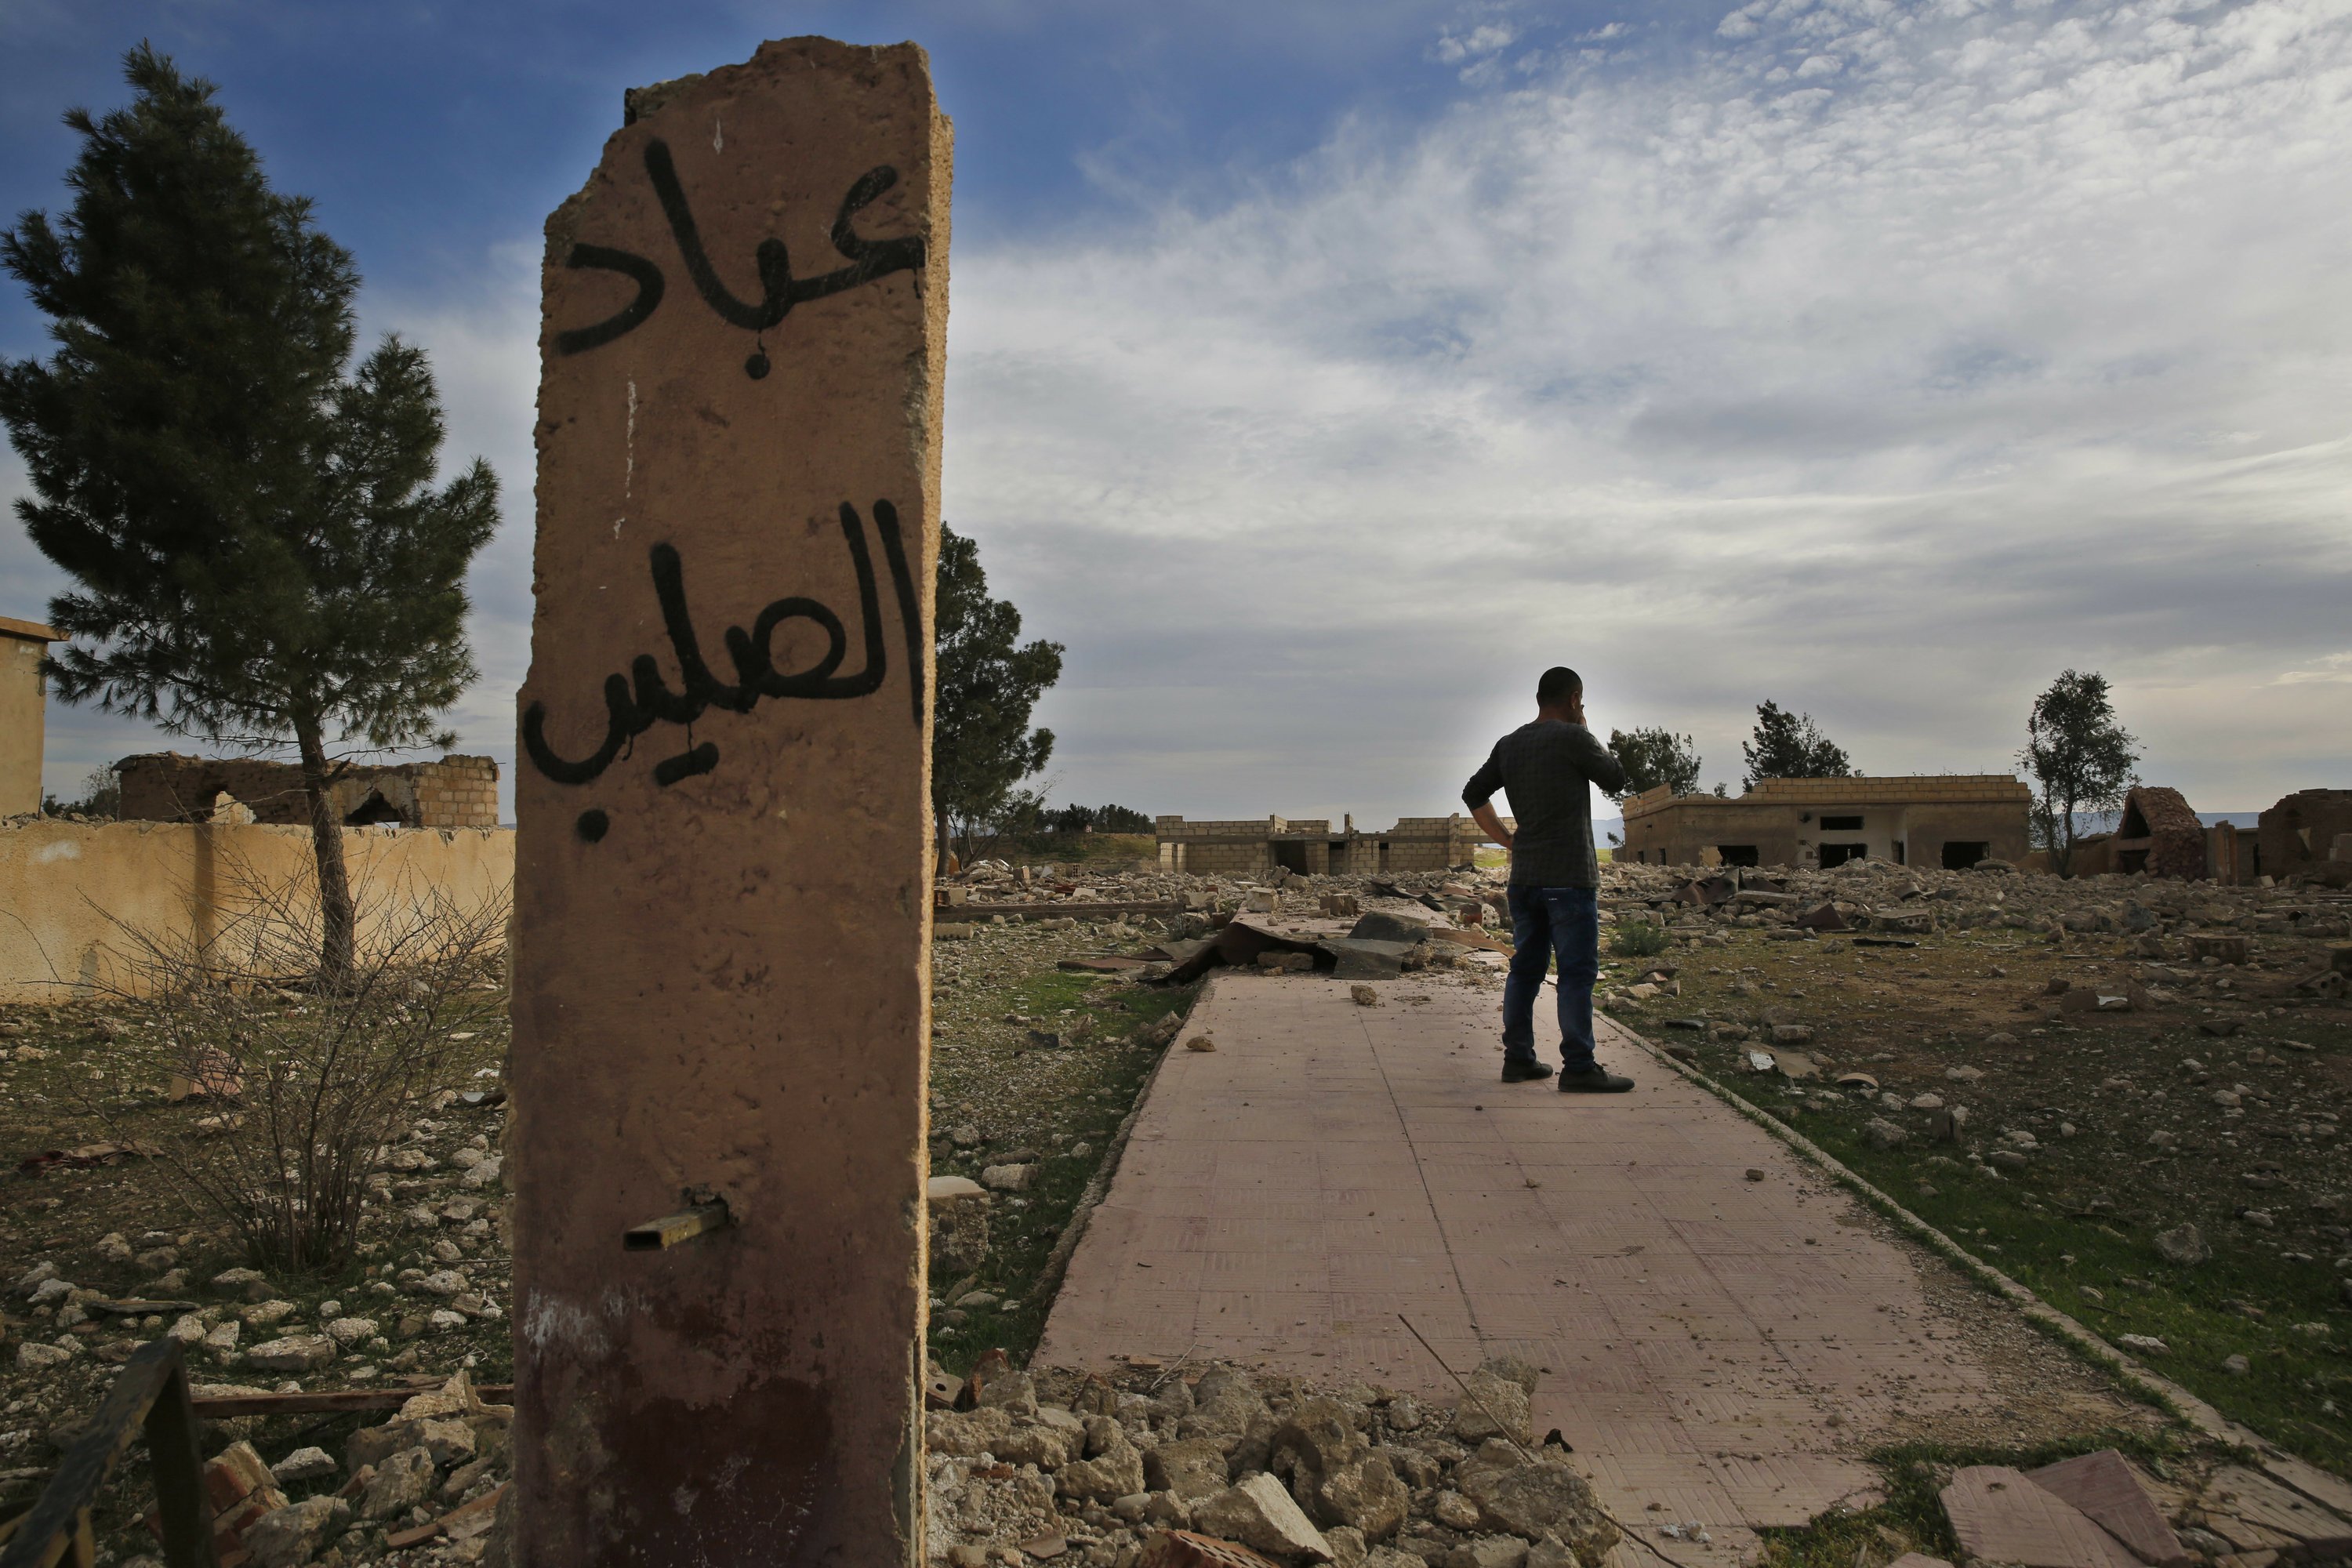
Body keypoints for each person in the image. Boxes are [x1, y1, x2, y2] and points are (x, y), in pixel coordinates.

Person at [1461, 666, 1635, 1091]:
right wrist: (1587, 730)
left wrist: (1506, 840)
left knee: (1525, 970)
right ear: (1574, 699)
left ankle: (1518, 1059)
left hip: (1525, 881)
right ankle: (1578, 1067)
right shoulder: (1575, 737)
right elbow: (1616, 777)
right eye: (1581, 702)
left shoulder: (1510, 744)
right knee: (1576, 973)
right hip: (1570, 879)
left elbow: (1473, 793)